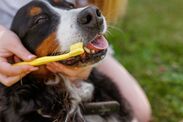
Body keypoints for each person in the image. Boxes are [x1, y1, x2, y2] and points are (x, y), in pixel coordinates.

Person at [0, 0, 151, 122]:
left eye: (68, 5)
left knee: (141, 111)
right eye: (39, 20)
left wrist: (86, 64)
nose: (90, 13)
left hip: (82, 43)